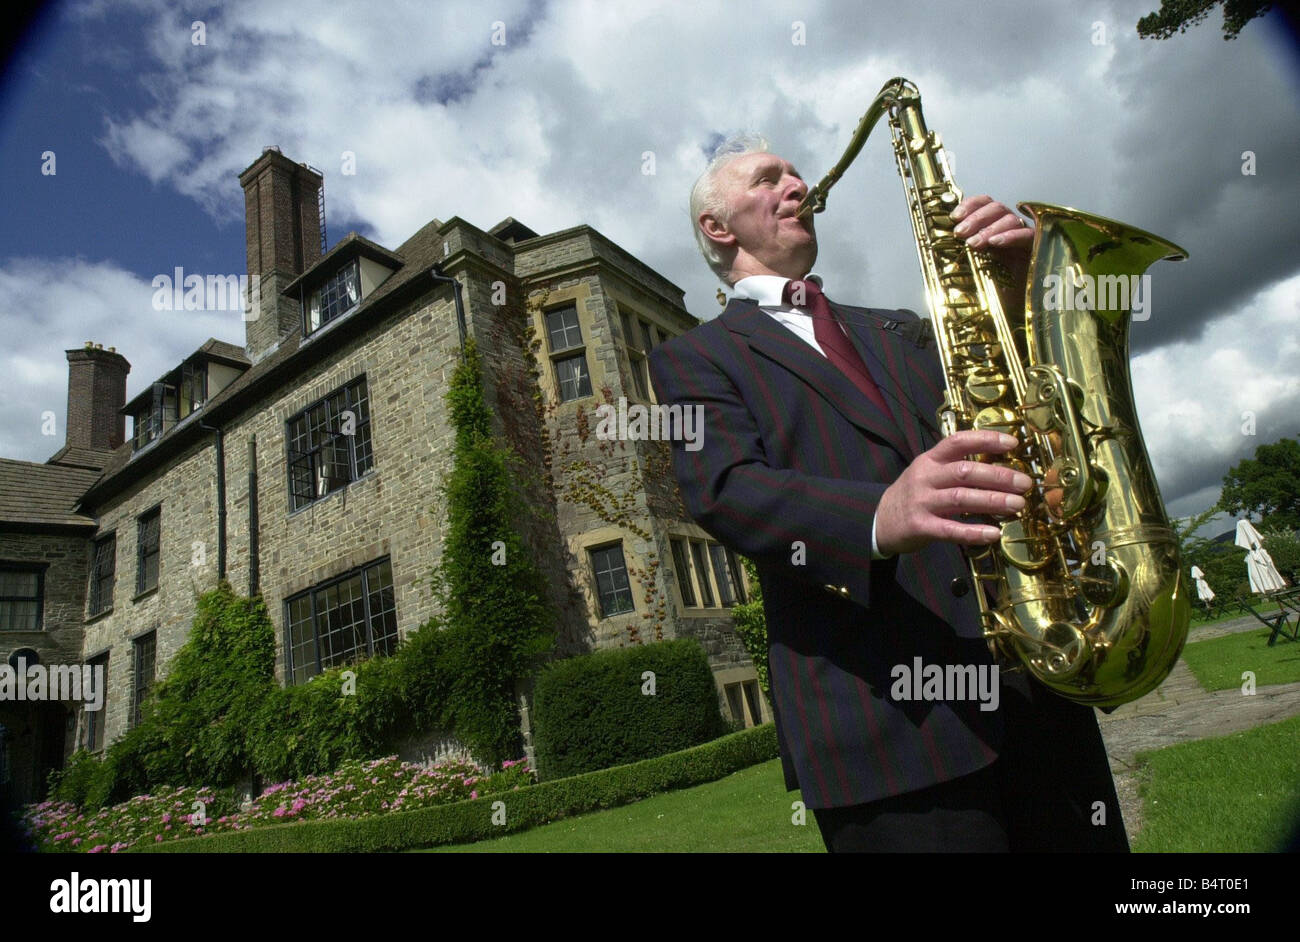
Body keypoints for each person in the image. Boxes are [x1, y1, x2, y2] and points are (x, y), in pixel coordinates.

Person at [646, 135, 1127, 853]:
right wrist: (877, 514)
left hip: (1034, 689)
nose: (797, 184)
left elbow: (1029, 403)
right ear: (717, 227)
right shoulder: (692, 356)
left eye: (798, 173)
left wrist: (1022, 283)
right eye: (769, 178)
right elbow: (725, 490)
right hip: (886, 734)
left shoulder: (900, 328)